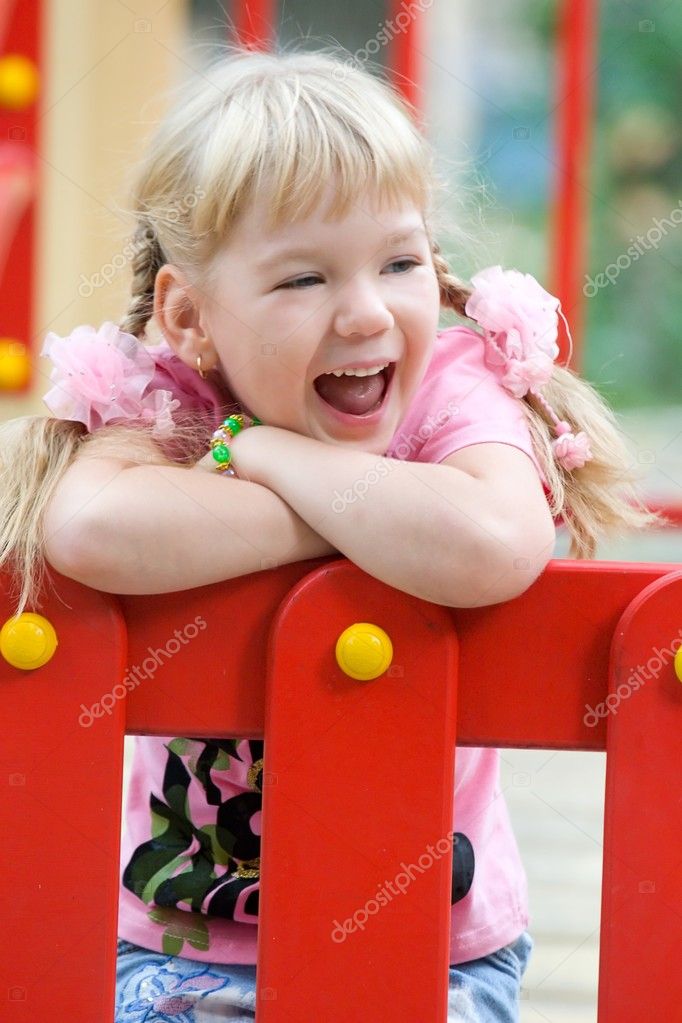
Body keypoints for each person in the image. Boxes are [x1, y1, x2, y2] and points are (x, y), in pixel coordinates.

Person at [0, 44, 657, 1023]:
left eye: (398, 262)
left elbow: (494, 542)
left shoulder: (450, 385)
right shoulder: (164, 398)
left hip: (435, 946)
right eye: (302, 277)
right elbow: (92, 529)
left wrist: (272, 459)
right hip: (185, 950)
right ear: (189, 318)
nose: (363, 311)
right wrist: (362, 516)